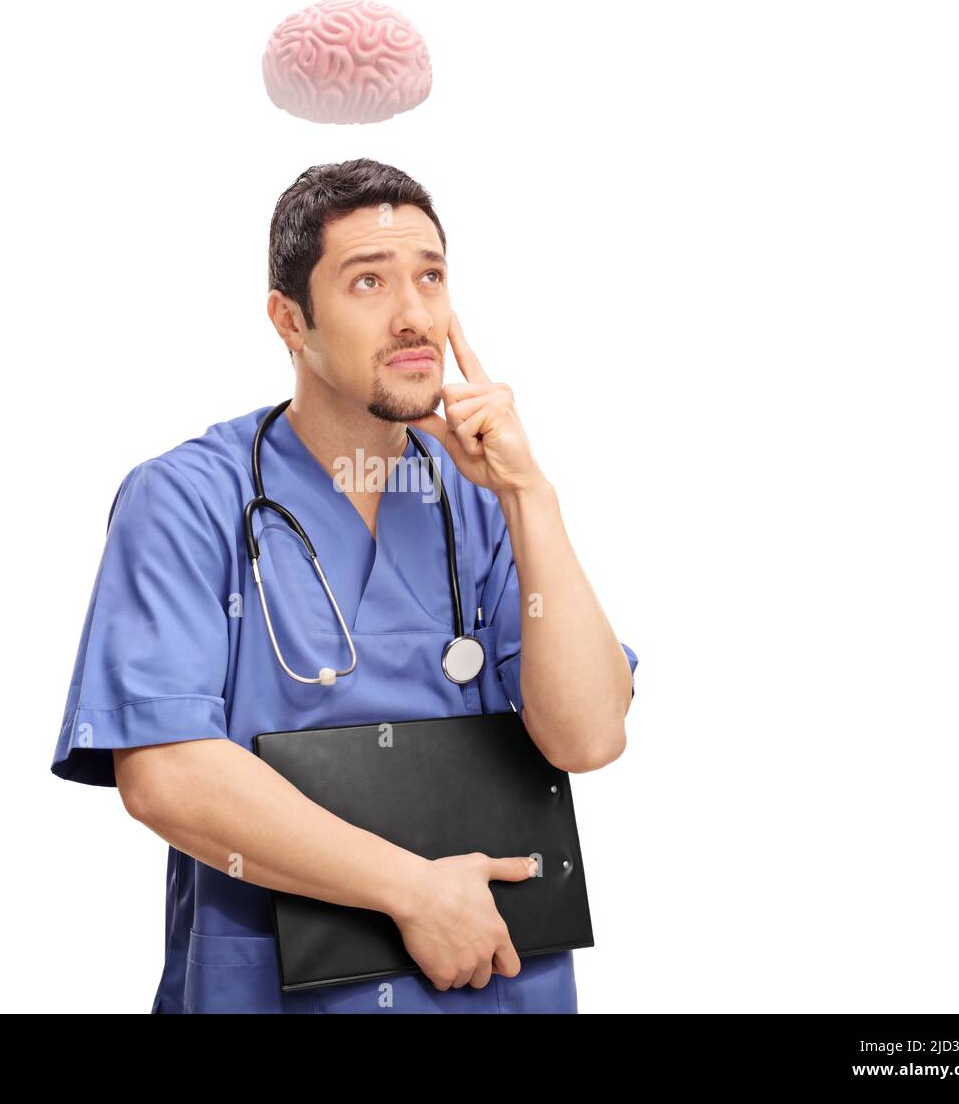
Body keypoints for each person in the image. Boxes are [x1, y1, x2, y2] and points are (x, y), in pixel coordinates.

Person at [50, 158, 639, 1013]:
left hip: (497, 983)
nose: (414, 316)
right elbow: (168, 774)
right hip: (276, 991)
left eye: (430, 277)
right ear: (290, 320)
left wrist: (530, 496)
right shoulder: (188, 499)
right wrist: (412, 891)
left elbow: (588, 735)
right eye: (369, 280)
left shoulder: (482, 500)